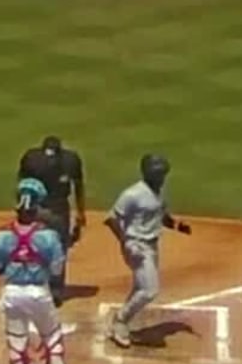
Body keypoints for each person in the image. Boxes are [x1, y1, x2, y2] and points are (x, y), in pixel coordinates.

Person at [0, 179, 74, 364]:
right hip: (39, 293)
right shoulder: (48, 236)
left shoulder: (2, 236)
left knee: (17, 342)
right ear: (37, 208)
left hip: (13, 294)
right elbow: (56, 270)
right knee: (52, 338)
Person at [105, 153, 191, 348]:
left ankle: (122, 322)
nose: (162, 177)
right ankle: (119, 322)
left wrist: (177, 225)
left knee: (140, 287)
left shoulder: (158, 191)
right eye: (159, 173)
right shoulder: (133, 194)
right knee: (149, 290)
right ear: (149, 173)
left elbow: (161, 216)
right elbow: (111, 218)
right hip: (137, 245)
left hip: (151, 245)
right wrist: (125, 241)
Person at [16, 135, 87, 305]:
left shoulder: (32, 158)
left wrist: (21, 209)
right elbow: (79, 186)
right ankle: (55, 290)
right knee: (58, 248)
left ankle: (34, 284)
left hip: (36, 209)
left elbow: (22, 186)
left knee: (33, 246)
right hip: (58, 211)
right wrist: (81, 212)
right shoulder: (70, 160)